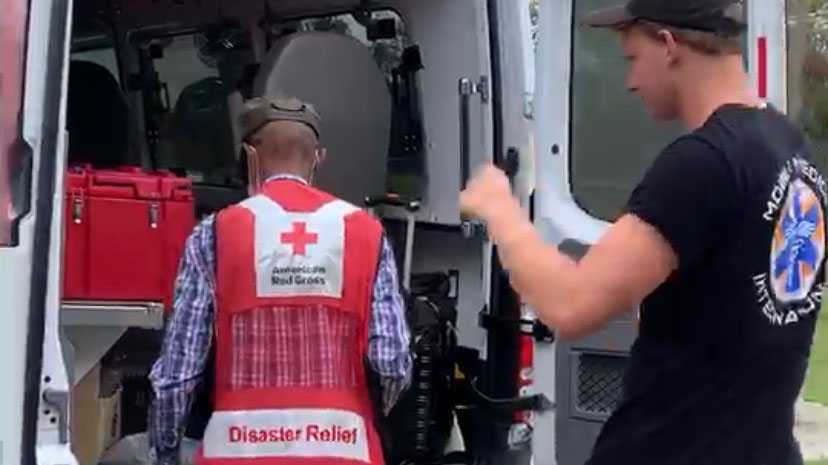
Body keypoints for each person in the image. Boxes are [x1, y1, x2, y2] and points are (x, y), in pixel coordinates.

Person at [459, 1, 826, 464]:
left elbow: (569, 305)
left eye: (632, 59)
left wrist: (500, 210)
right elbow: (736, 303)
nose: (630, 82)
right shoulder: (791, 149)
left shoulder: (702, 163)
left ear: (669, 45)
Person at [148, 96, 412, 465]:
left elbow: (178, 375)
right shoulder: (366, 233)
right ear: (318, 157)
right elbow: (391, 362)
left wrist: (166, 450)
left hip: (236, 453)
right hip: (344, 451)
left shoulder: (215, 234)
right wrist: (363, 414)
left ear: (249, 156)